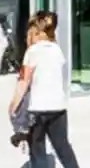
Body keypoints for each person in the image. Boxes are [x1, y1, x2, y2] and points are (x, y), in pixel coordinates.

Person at [8, 11, 78, 168]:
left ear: (36, 33)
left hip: (37, 109)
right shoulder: (57, 50)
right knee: (63, 147)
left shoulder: (32, 52)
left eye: (30, 34)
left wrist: (14, 105)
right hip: (58, 107)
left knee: (37, 149)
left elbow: (24, 81)